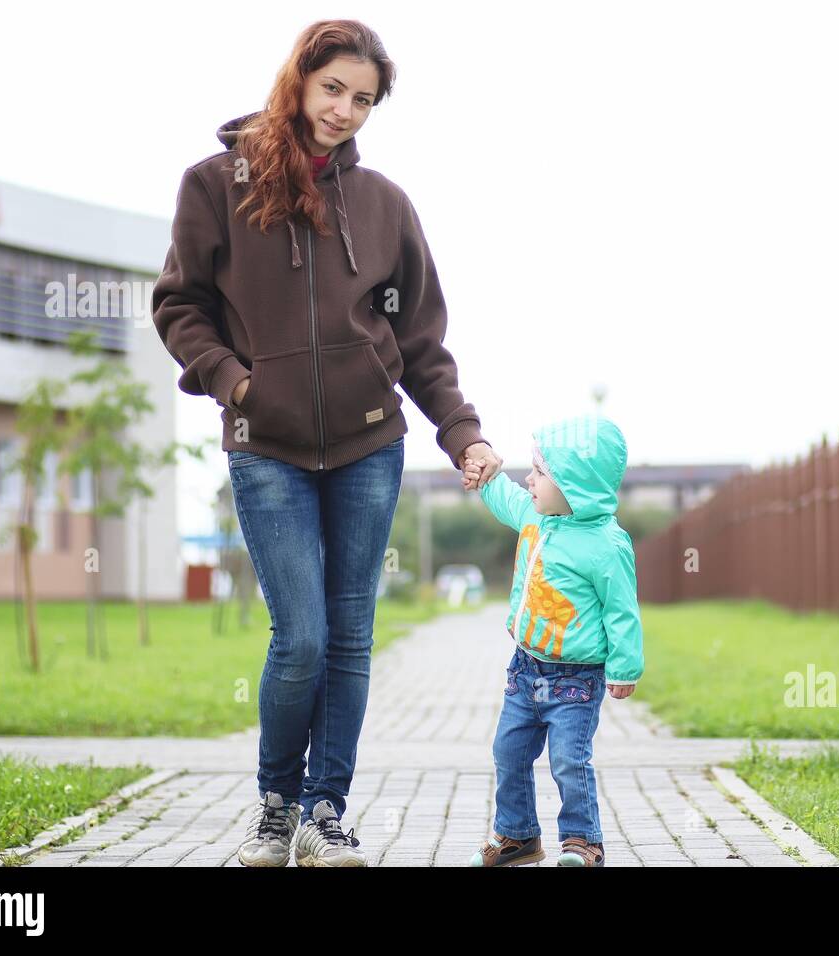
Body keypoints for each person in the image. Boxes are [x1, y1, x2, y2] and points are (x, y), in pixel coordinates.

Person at [150, 19, 503, 868]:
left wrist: (463, 435)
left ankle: (326, 813)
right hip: (263, 446)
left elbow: (419, 339)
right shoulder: (216, 185)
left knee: (349, 637)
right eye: (335, 88)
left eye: (365, 99)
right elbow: (178, 305)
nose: (346, 110)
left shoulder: (383, 204)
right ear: (300, 78)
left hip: (369, 448)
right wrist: (237, 384)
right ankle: (275, 807)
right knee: (299, 636)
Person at [460, 414, 645, 867]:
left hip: (576, 679)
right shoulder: (533, 515)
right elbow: (503, 495)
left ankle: (583, 842)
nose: (529, 480)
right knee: (508, 751)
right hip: (524, 669)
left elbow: (621, 610)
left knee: (568, 760)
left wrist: (625, 666)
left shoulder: (606, 544)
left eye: (540, 473)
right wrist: (485, 475)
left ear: (576, 485)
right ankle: (518, 835)